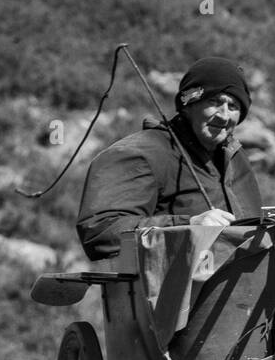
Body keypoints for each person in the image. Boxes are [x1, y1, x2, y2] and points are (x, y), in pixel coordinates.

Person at [76, 56, 263, 261]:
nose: (224, 115)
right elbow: (100, 232)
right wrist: (188, 225)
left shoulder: (236, 159)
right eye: (214, 102)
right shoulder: (140, 154)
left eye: (233, 106)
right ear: (188, 104)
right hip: (164, 291)